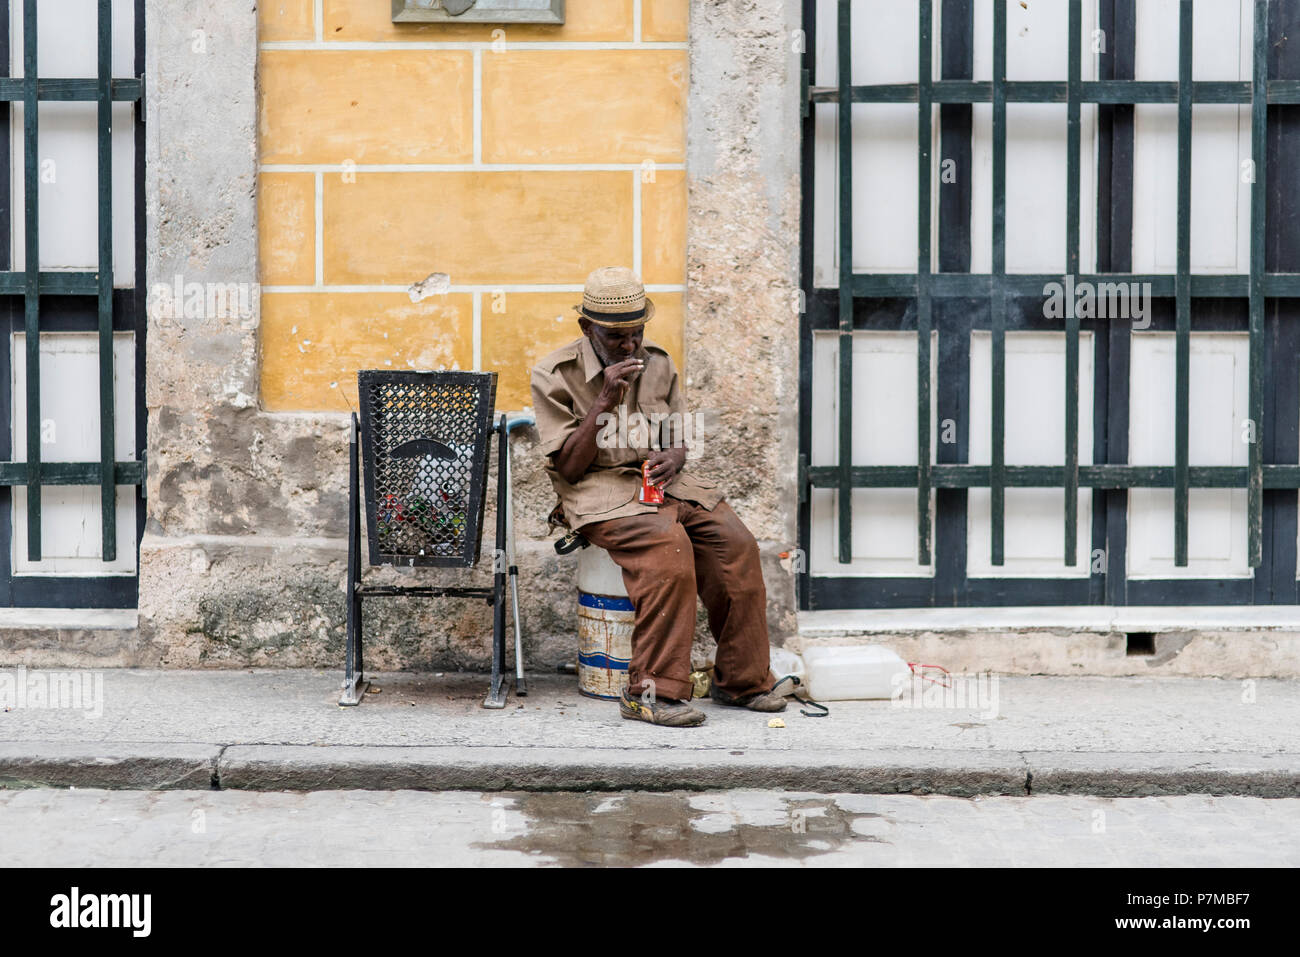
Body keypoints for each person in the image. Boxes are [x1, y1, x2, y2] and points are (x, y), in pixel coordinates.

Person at [529, 266, 786, 727]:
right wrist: (604, 400)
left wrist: (675, 456)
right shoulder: (555, 374)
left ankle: (743, 681)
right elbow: (568, 467)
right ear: (587, 328)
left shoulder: (659, 363)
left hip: (663, 486)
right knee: (669, 551)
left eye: (636, 332)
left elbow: (679, 435)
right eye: (616, 336)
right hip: (599, 491)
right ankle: (651, 693)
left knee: (737, 545)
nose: (630, 345)